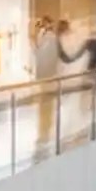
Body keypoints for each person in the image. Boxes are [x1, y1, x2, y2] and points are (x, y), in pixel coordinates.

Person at [32, 18, 60, 153]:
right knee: (45, 105)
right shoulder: (46, 38)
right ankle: (44, 132)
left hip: (47, 76)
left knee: (46, 105)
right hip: (47, 76)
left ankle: (45, 133)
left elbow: (43, 56)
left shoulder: (49, 38)